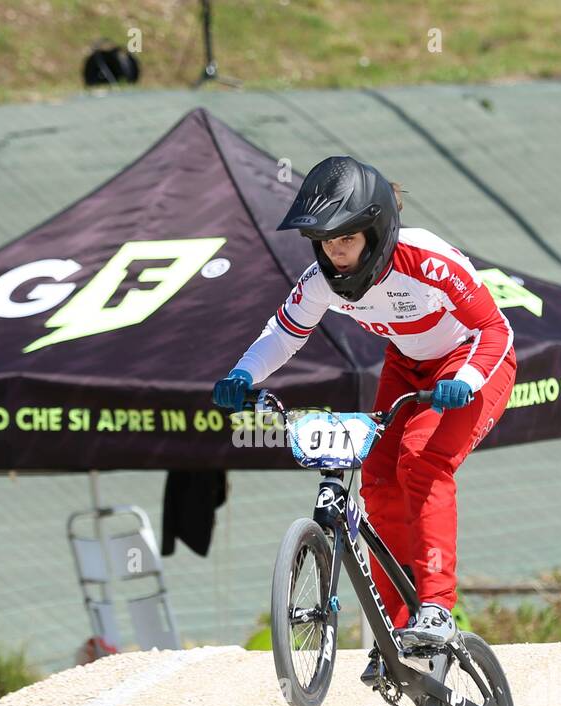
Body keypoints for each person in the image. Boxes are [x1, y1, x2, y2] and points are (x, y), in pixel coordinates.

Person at [212, 156, 517, 677]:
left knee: (421, 463)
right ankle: (399, 630)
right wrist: (243, 374)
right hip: (406, 363)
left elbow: (495, 331)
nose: (335, 255)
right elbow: (285, 334)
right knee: (375, 478)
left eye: (346, 240)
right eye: (325, 243)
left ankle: (438, 609)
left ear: (376, 232)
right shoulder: (322, 281)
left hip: (471, 363)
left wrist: (463, 383)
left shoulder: (428, 261)